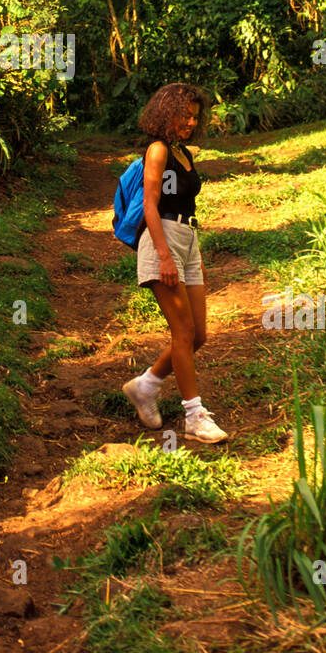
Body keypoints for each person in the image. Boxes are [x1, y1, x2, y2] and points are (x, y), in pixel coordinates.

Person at [122, 83, 228, 443]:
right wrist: (165, 255)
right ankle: (194, 416)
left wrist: (187, 252)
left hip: (188, 240)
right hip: (161, 241)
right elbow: (151, 205)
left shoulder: (184, 154)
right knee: (182, 333)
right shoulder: (157, 151)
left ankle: (146, 385)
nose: (190, 121)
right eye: (184, 115)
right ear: (166, 113)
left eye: (194, 116)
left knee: (198, 334)